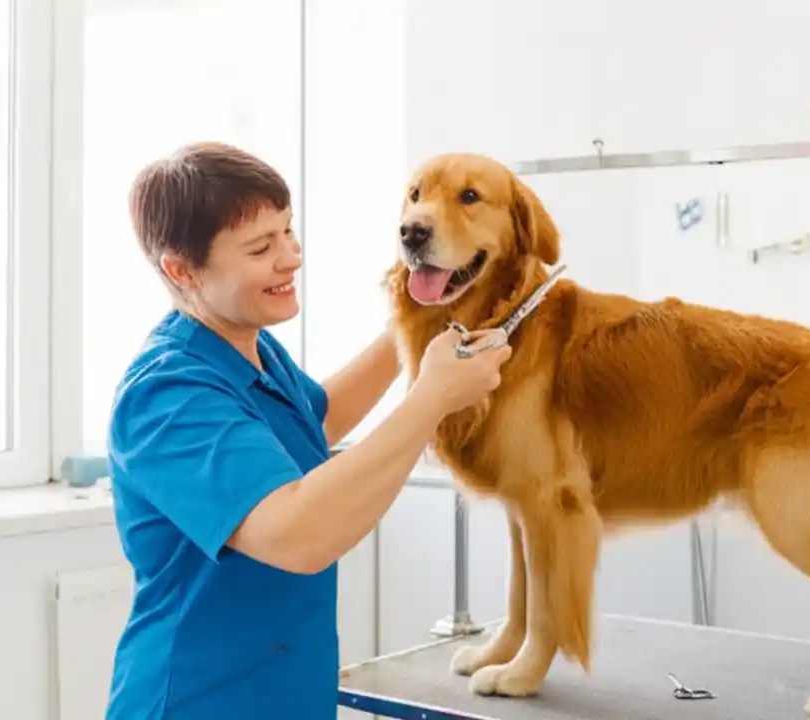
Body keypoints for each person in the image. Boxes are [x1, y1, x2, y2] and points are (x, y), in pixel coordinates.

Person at [103, 141, 512, 719]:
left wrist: (417, 326)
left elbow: (311, 423)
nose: (291, 258)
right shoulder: (166, 397)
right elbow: (298, 536)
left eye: (288, 232)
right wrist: (431, 399)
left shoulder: (248, 346)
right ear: (180, 269)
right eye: (260, 247)